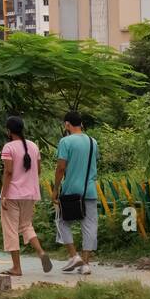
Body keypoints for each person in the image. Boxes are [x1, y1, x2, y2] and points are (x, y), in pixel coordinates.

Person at [0, 115, 52, 275]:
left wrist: (4, 194)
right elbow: (39, 170)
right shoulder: (33, 146)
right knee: (26, 225)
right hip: (30, 193)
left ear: (9, 131)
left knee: (11, 229)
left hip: (13, 193)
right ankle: (41, 252)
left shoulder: (8, 148)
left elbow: (8, 172)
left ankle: (16, 267)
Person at [53, 110, 98, 274]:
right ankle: (85, 264)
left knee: (62, 222)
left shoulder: (65, 141)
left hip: (71, 190)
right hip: (90, 190)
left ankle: (74, 256)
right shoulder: (93, 142)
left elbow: (61, 168)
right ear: (81, 124)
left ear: (67, 124)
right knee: (90, 225)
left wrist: (55, 189)